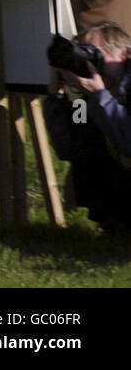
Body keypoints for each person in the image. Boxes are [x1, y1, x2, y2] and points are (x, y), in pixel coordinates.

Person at [42, 22, 131, 232]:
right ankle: (114, 221)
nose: (90, 66)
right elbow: (71, 148)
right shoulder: (82, 97)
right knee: (88, 143)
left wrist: (100, 96)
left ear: (125, 54)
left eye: (95, 56)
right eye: (84, 57)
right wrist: (58, 98)